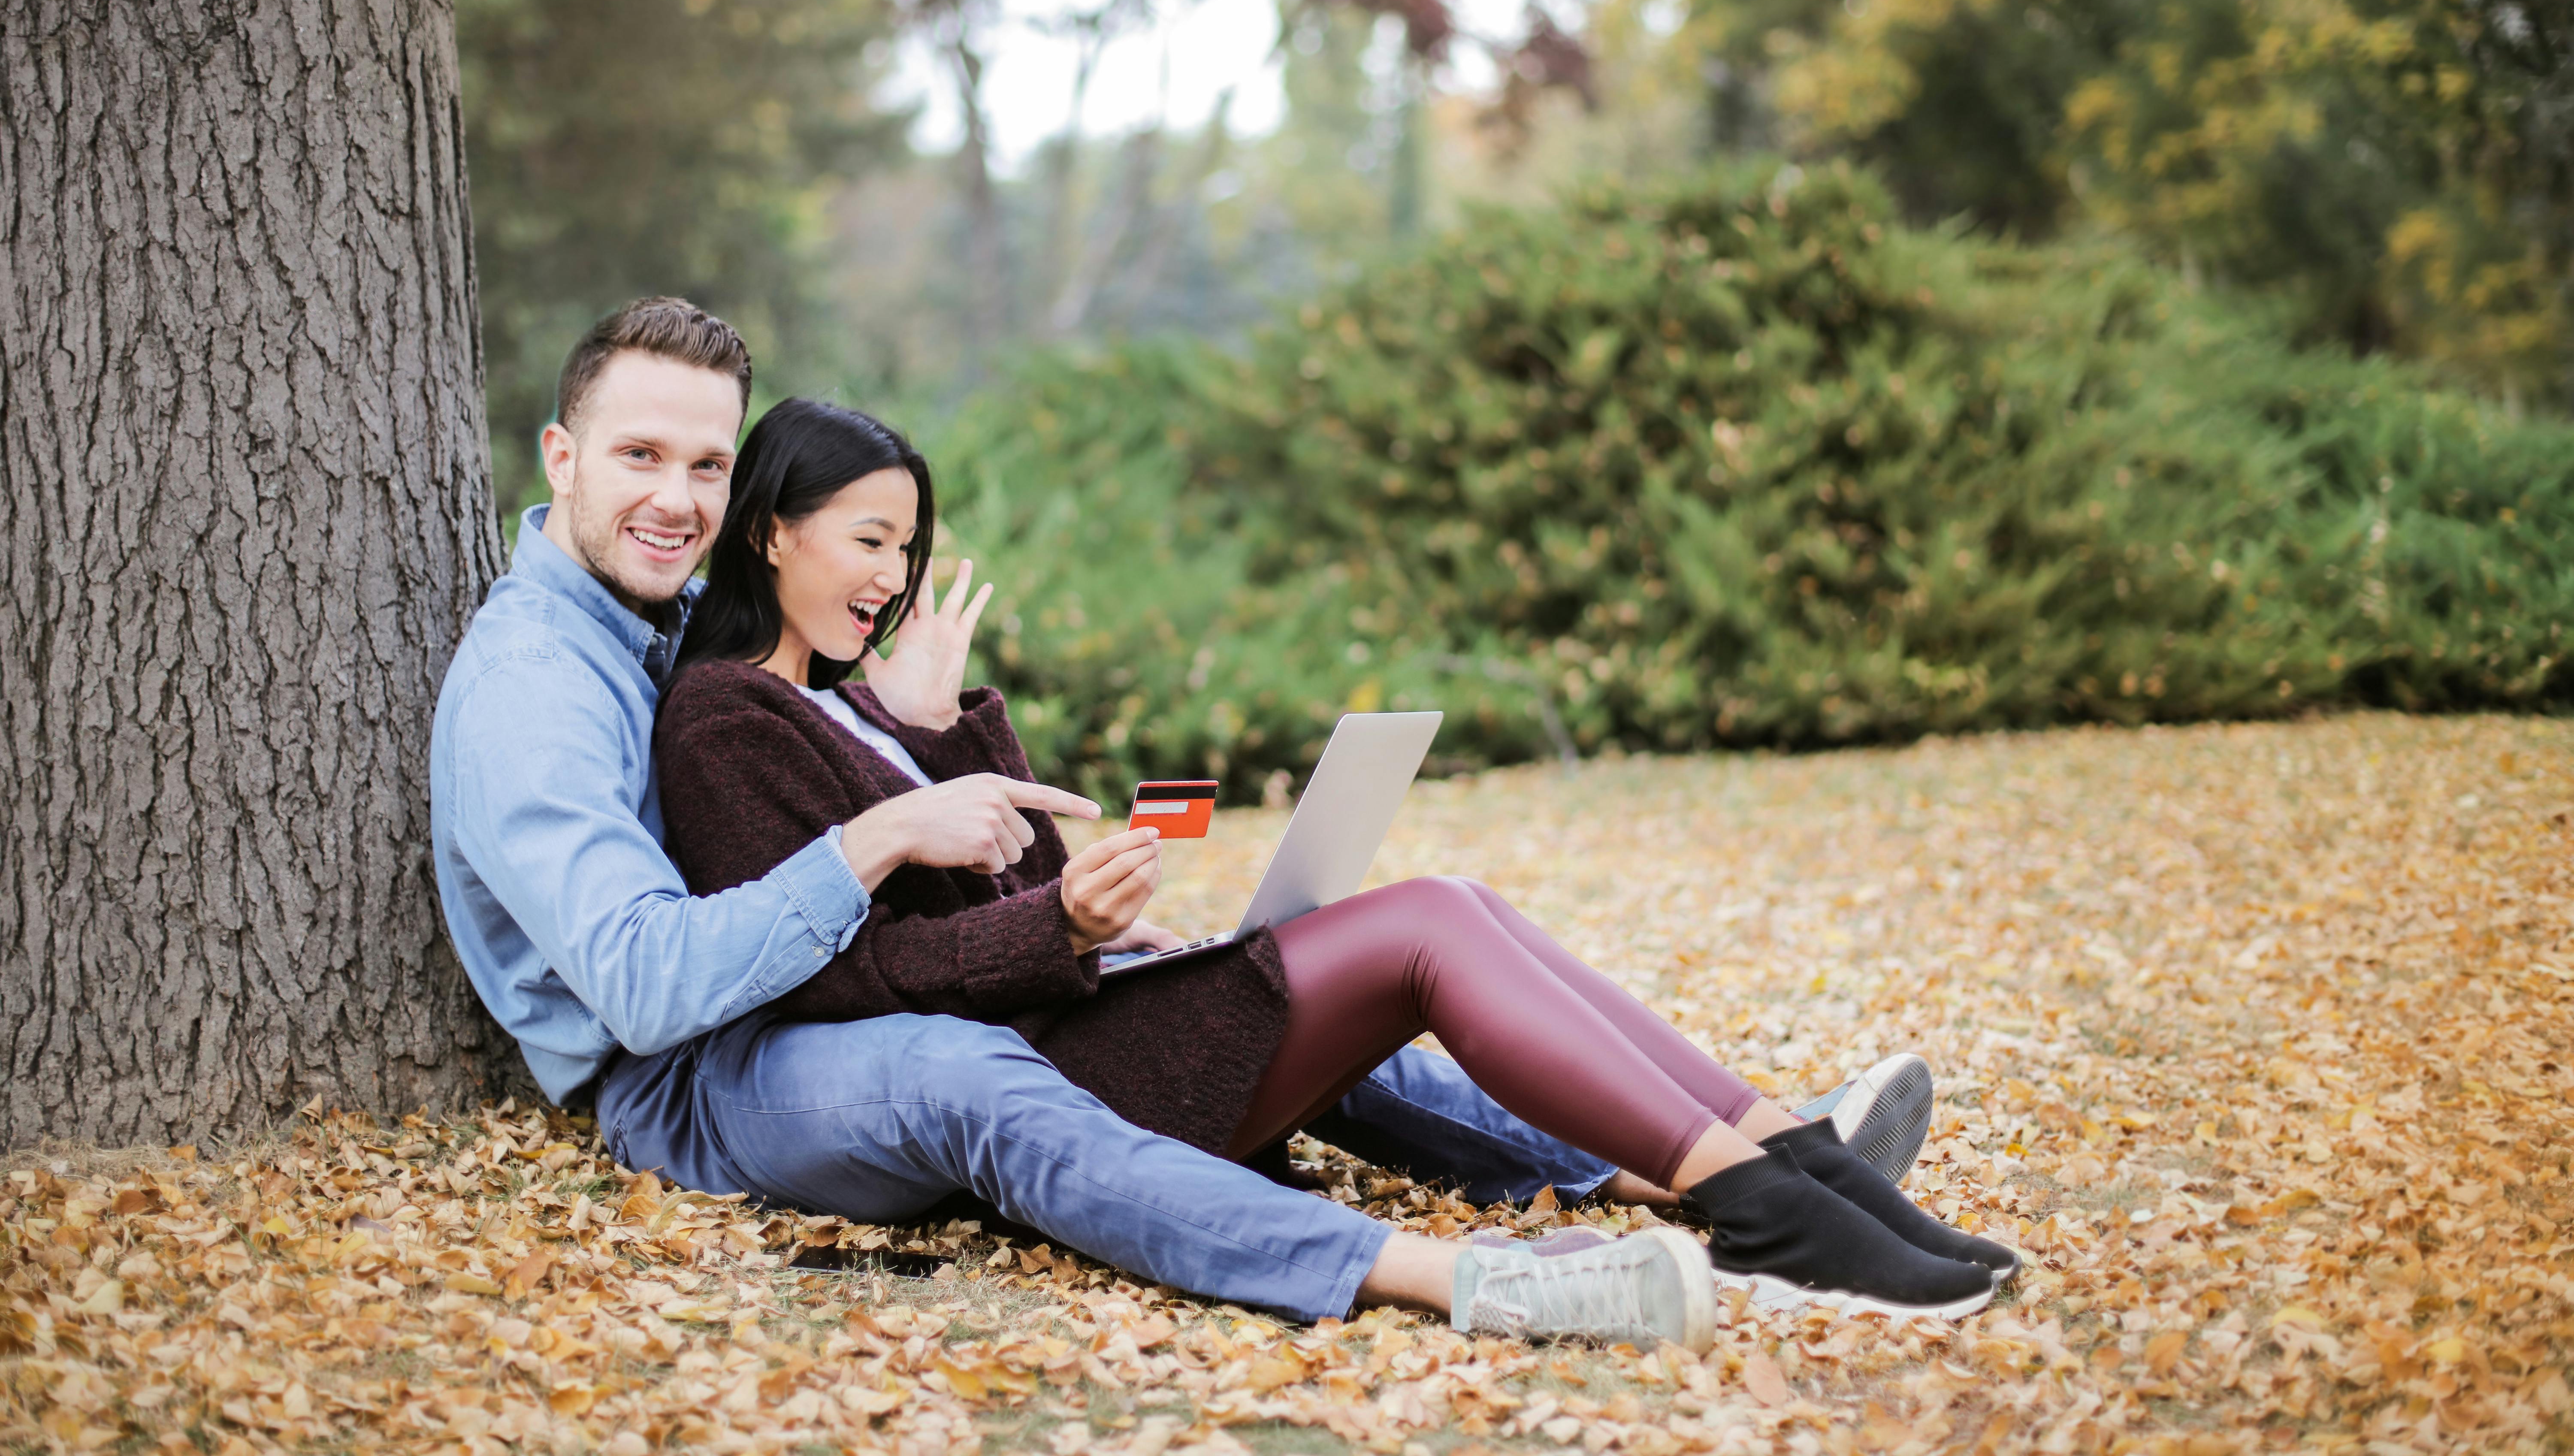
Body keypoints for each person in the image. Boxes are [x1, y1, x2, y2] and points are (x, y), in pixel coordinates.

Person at [433, 297, 1722, 1352]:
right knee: (960, 1072)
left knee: (1221, 978)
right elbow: (653, 989)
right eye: (638, 458)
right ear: (559, 459)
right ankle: (1463, 1281)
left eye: (707, 464)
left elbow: (847, 794)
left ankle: (1675, 1163)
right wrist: (883, 841)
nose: (679, 499)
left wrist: (928, 731)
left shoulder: (660, 611)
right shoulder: (535, 690)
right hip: (690, 1079)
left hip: (798, 999)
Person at [648, 395, 2019, 1319]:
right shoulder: (725, 720)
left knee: (1457, 903)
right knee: (1425, 922)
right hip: (1061, 1093)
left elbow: (992, 887)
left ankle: (1788, 1163)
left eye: (909, 544)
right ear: (774, 532)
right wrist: (1056, 928)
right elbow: (829, 981)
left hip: (1087, 1026)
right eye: (870, 540)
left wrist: (939, 730)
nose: (892, 574)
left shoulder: (853, 704)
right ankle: (1770, 1205)